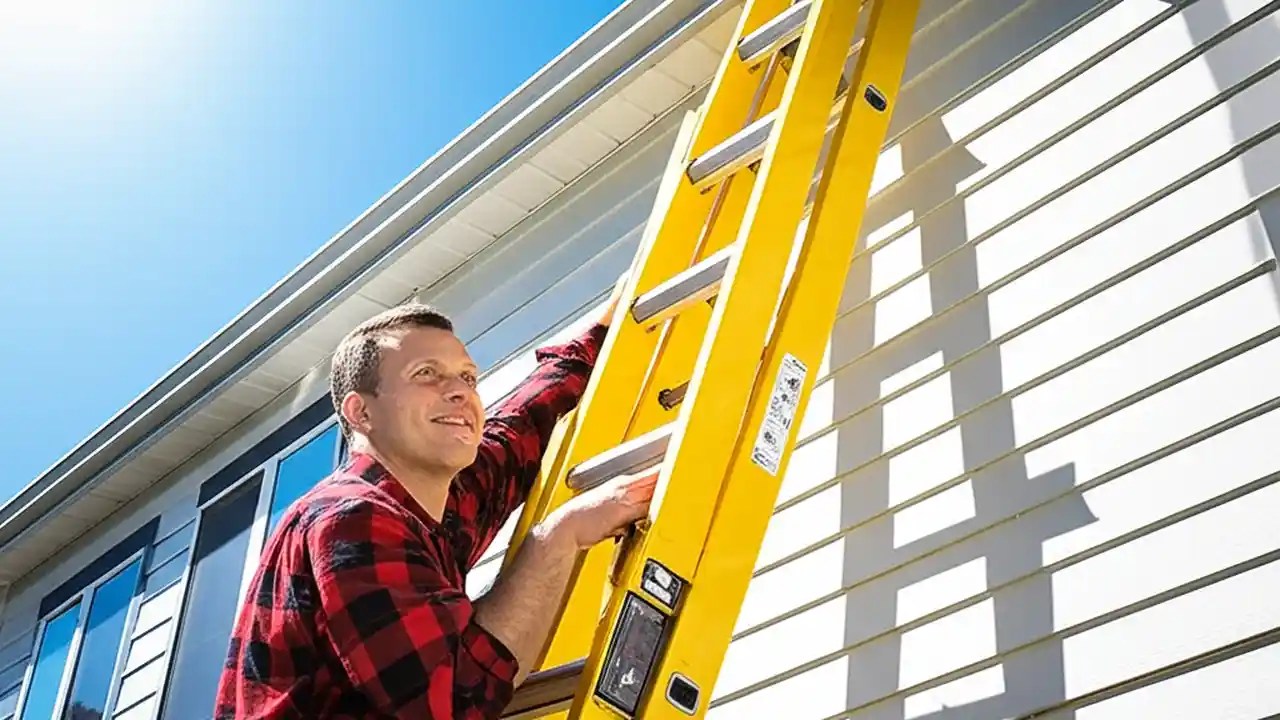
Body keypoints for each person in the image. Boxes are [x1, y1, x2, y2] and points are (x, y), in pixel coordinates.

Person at [214, 277, 656, 719]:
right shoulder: (349, 518)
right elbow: (451, 704)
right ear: (361, 412)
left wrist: (608, 320)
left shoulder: (439, 505)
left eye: (467, 376)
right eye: (426, 373)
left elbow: (522, 424)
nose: (460, 390)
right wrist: (557, 539)